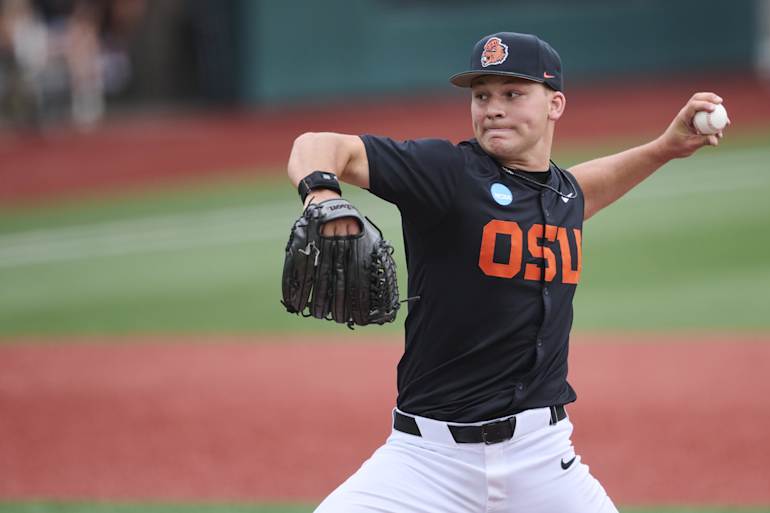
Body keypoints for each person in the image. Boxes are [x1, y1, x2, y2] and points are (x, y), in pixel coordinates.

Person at [287, 32, 727, 513]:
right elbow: (320, 145)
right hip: (425, 463)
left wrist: (663, 147)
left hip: (543, 461)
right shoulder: (446, 173)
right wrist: (321, 195)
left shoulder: (560, 196)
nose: (493, 108)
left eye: (512, 94)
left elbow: (583, 191)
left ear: (555, 103)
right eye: (482, 96)